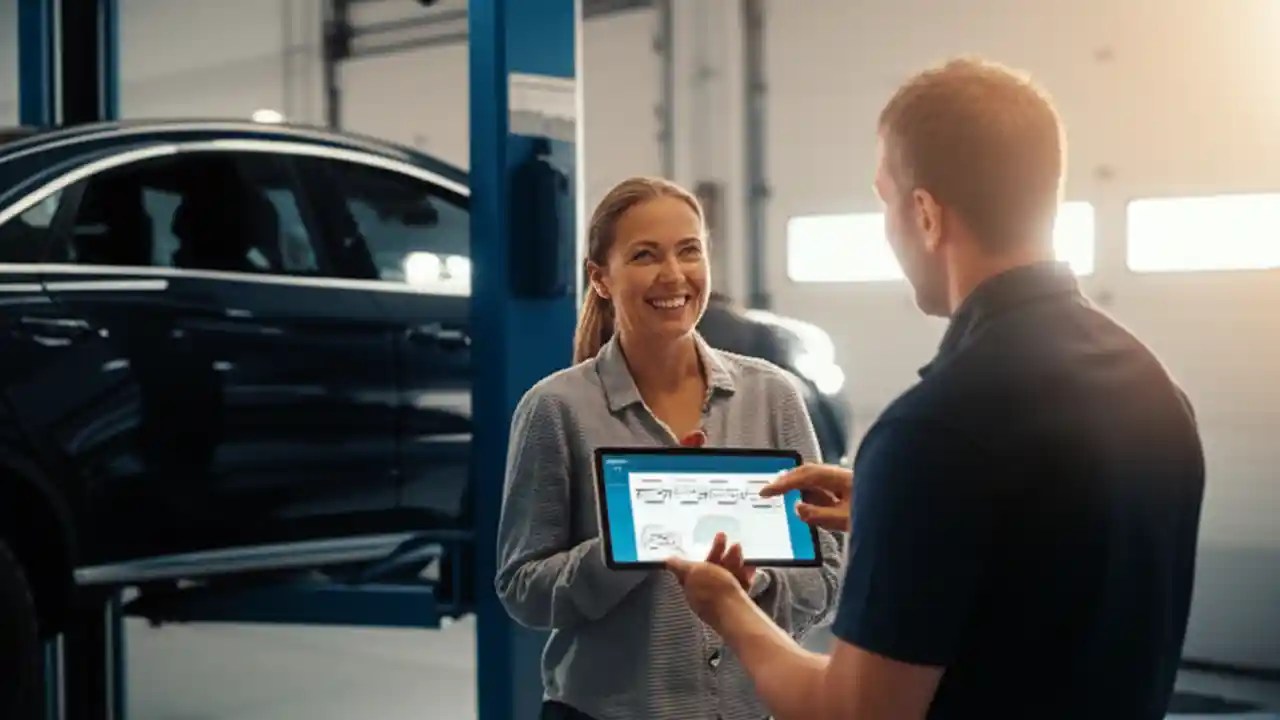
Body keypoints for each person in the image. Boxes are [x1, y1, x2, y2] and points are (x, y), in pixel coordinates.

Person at [666, 56, 1206, 719]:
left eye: (884, 199)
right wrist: (892, 511)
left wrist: (728, 607)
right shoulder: (1154, 390)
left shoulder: (933, 433)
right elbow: (1052, 562)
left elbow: (855, 713)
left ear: (925, 214)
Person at [494, 176, 846, 720]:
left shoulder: (772, 398)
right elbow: (522, 588)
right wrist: (628, 544)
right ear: (600, 278)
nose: (674, 275)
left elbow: (826, 575)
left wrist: (750, 588)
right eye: (645, 255)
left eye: (689, 251)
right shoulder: (556, 409)